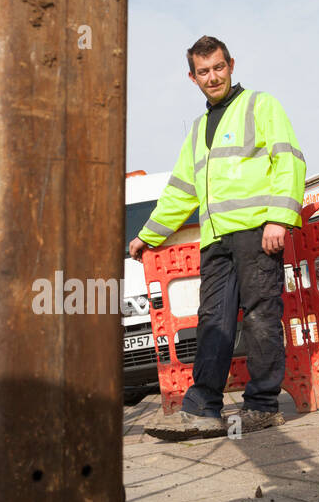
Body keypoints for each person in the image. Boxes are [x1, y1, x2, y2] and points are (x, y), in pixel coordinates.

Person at [129, 35, 306, 439]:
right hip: (217, 241)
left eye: (218, 68)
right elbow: (180, 191)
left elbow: (289, 159)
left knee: (261, 317)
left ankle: (262, 406)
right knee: (213, 322)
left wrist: (279, 219)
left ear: (231, 65)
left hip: (257, 233)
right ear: (192, 78)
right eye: (203, 71)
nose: (213, 77)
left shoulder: (260, 105)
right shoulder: (196, 130)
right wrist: (148, 235)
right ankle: (203, 407)